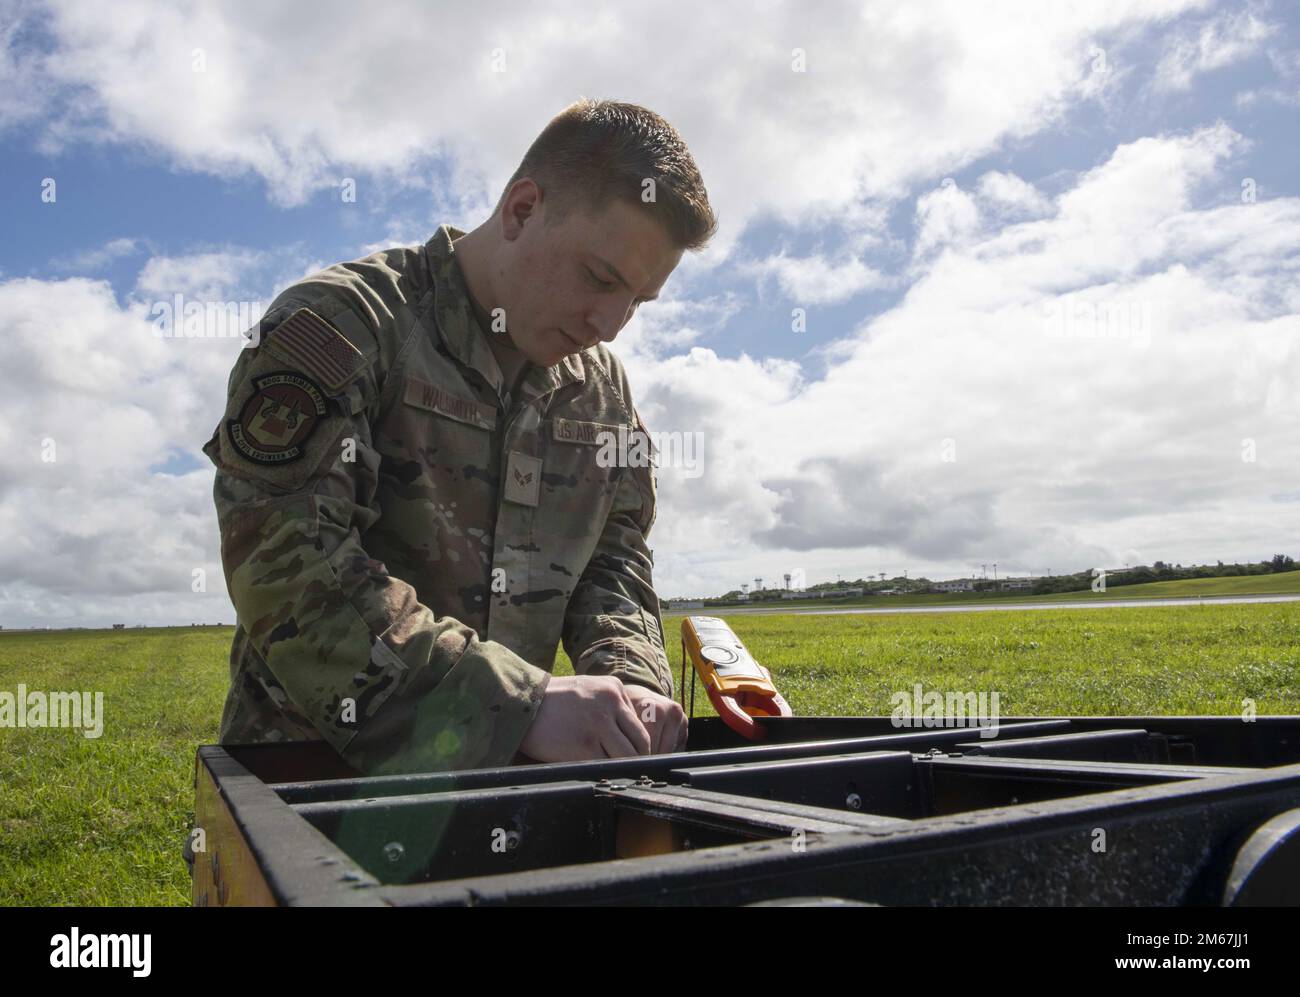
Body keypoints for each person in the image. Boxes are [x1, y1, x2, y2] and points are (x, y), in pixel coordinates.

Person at [201, 98, 717, 775]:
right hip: (312, 783)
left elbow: (611, 562)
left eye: (639, 301)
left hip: (497, 790)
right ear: (522, 208)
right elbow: (290, 567)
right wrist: (519, 706)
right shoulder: (338, 327)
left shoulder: (602, 390)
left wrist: (635, 692)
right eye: (599, 278)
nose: (612, 324)